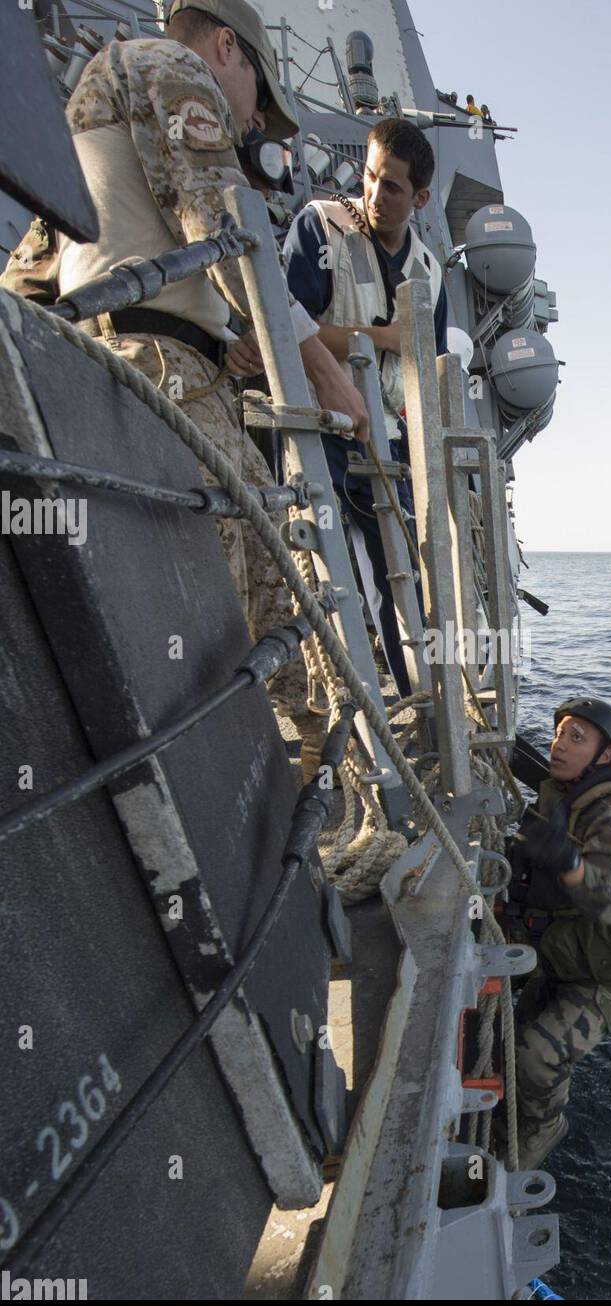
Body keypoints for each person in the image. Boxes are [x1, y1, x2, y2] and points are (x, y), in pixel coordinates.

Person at [0, 0, 370, 779]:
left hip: (110, 375)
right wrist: (330, 376)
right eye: (260, 102)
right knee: (272, 607)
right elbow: (226, 229)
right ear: (227, 48)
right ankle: (331, 800)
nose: (252, 124)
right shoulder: (177, 68)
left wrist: (220, 333)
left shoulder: (95, 93)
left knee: (185, 609)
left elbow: (35, 276)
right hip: (174, 388)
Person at [280, 118, 448, 698]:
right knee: (316, 569)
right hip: (320, 432)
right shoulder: (321, 227)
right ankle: (323, 709)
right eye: (371, 178)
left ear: (421, 197)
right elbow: (285, 325)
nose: (376, 195)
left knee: (397, 574)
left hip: (392, 446)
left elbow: (433, 367)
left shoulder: (429, 270)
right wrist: (378, 338)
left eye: (394, 186)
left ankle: (414, 702)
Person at [496, 698, 611, 1171]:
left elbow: (609, 900)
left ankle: (543, 1127)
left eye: (577, 738)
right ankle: (508, 1111)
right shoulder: (563, 796)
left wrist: (566, 860)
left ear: (605, 756)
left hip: (602, 973)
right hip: (558, 954)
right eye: (559, 733)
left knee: (534, 1060)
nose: (558, 745)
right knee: (504, 1044)